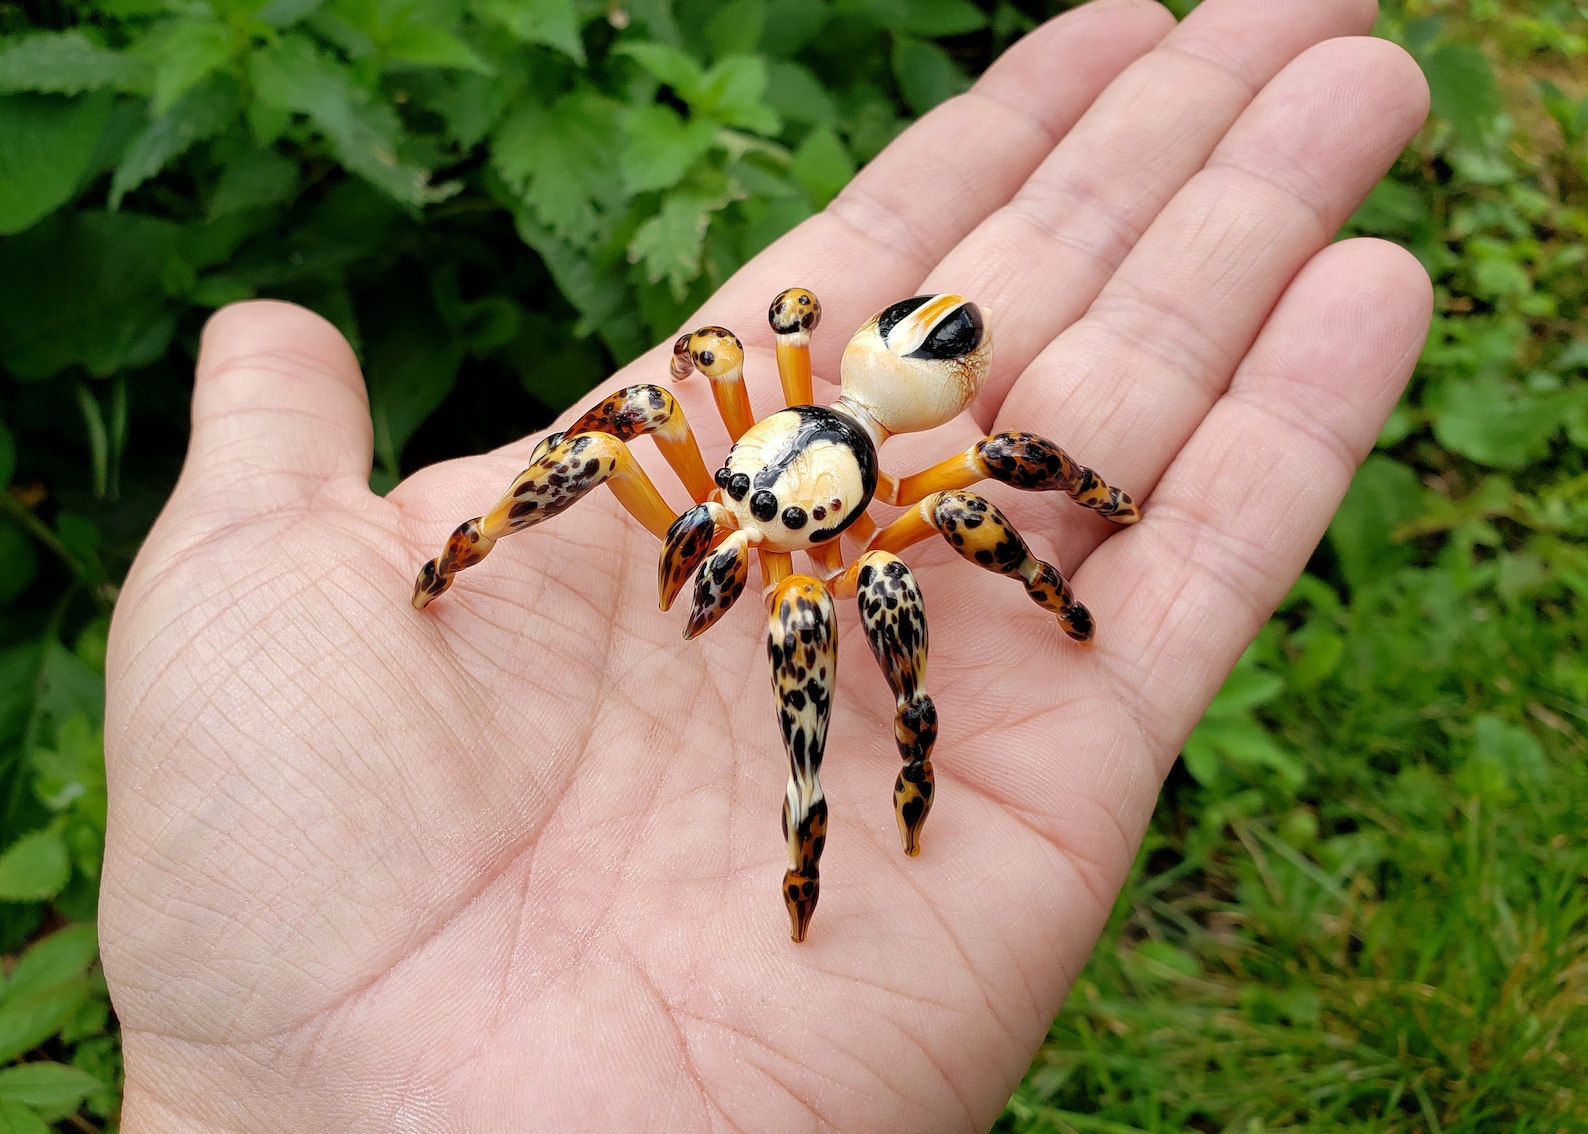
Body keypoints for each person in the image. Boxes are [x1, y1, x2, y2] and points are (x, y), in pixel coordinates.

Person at [99, 0, 1432, 1128]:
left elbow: (962, 482)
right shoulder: (726, 451)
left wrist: (1036, 591)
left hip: (867, 443)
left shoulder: (878, 525)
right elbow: (675, 383)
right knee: (622, 428)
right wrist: (486, 535)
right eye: (720, 518)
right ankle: (486, 556)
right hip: (802, 440)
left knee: (930, 545)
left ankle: (822, 833)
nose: (717, 548)